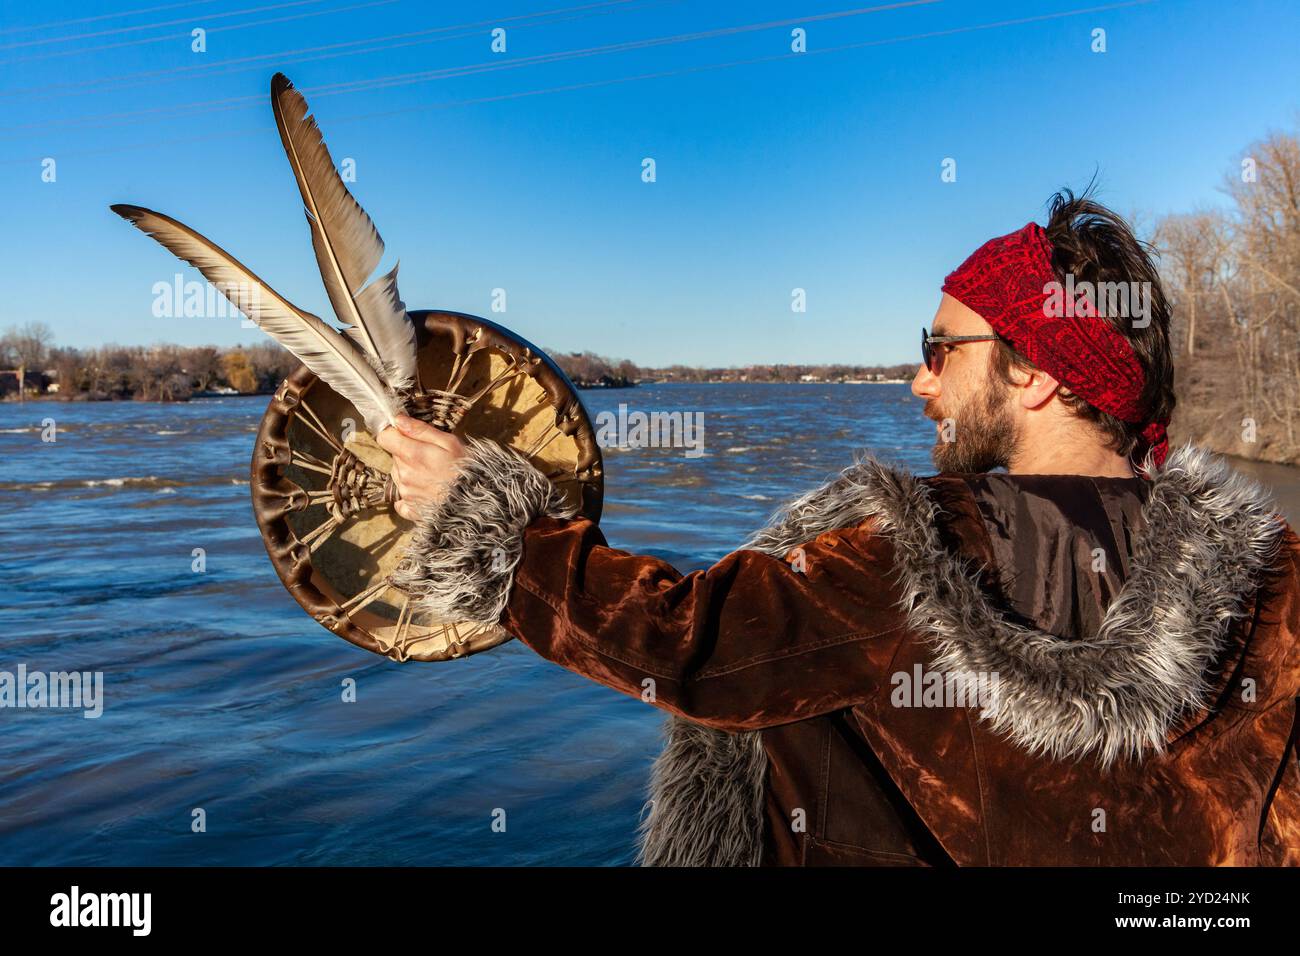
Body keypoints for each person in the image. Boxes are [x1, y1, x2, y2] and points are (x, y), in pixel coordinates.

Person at [378, 187, 1300, 866]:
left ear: (1039, 373)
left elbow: (685, 644)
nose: (919, 380)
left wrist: (496, 528)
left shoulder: (916, 553)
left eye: (940, 349)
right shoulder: (1276, 582)